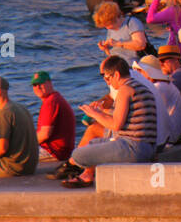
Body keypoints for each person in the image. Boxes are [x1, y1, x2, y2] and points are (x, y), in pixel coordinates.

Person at [62, 57, 158, 188]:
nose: (108, 83)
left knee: (78, 155)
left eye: (108, 78)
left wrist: (93, 113)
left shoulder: (125, 90)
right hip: (147, 147)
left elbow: (116, 125)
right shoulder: (141, 88)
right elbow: (125, 118)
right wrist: (102, 111)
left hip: (133, 147)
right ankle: (87, 175)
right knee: (92, 144)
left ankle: (79, 169)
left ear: (116, 75)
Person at [134, 56, 181, 147]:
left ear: (149, 72)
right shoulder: (163, 84)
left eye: (140, 71)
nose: (138, 74)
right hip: (175, 132)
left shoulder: (160, 87)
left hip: (171, 135)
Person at [31, 71, 75, 164]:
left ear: (50, 83)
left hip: (54, 152)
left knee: (12, 155)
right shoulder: (55, 98)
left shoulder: (51, 102)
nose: (38, 87)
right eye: (35, 85)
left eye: (41, 83)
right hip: (62, 151)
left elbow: (44, 134)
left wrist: (25, 145)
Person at [92, 0, 149, 67]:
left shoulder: (132, 23)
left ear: (115, 18)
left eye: (108, 25)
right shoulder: (111, 30)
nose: (107, 28)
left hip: (135, 66)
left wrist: (118, 43)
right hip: (118, 68)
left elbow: (141, 44)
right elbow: (112, 54)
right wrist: (106, 48)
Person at [157, 44, 181, 123]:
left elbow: (165, 94)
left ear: (175, 59)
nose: (161, 64)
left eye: (163, 61)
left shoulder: (180, 74)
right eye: (159, 61)